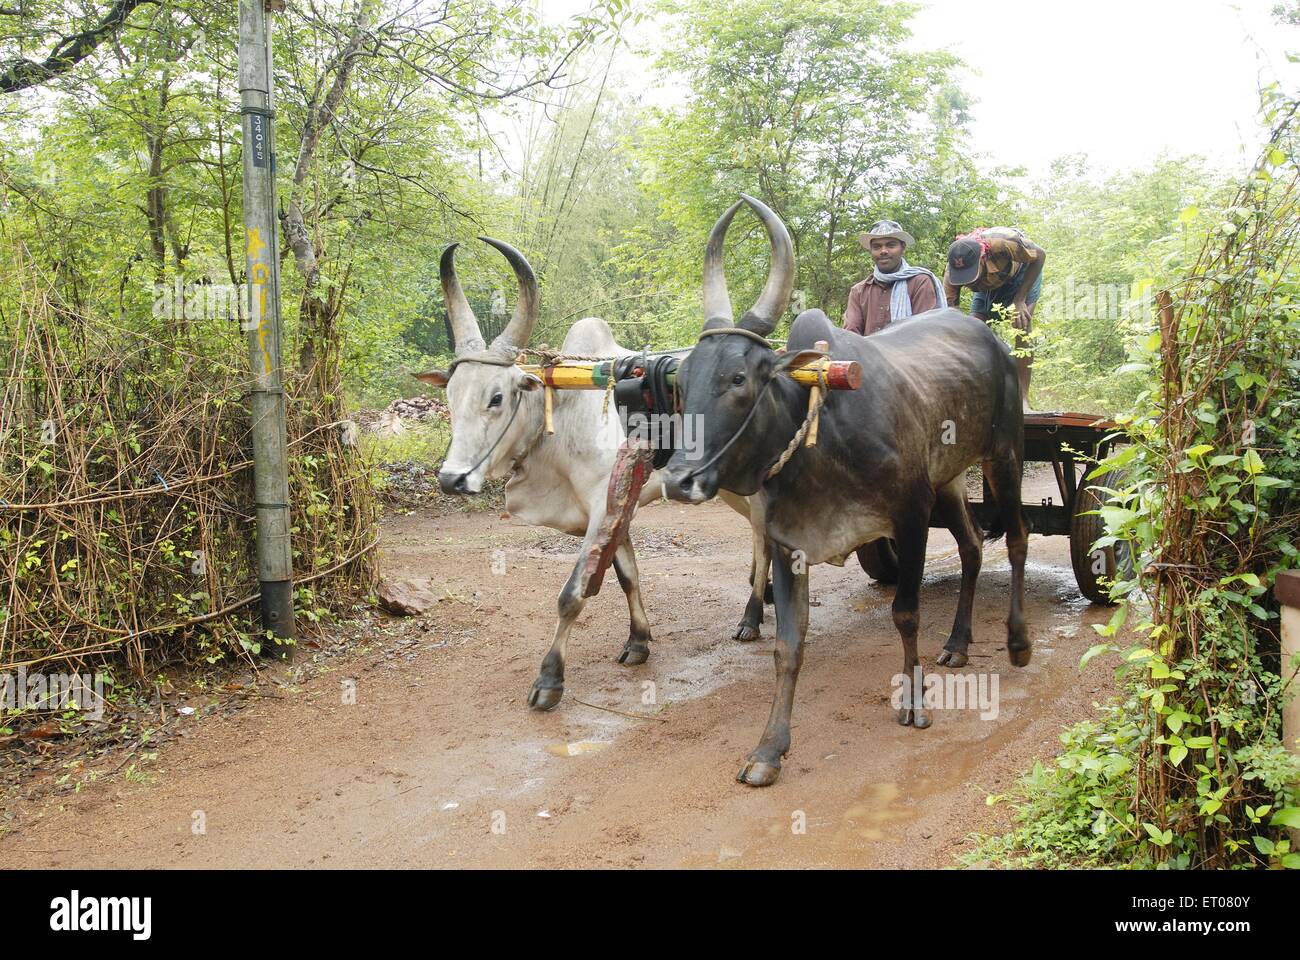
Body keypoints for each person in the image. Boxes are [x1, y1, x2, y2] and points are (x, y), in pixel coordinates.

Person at [944, 226, 1046, 407]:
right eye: (964, 280)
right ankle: (976, 394)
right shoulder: (951, 274)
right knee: (973, 332)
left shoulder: (1004, 242)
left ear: (982, 258)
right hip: (988, 286)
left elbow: (1040, 256)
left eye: (970, 278)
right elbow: (952, 315)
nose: (968, 284)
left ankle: (1022, 398)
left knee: (1021, 325)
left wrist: (1020, 299)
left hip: (1021, 274)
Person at [842, 219, 946, 336]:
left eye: (891, 245)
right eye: (877, 247)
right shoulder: (859, 291)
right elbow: (851, 335)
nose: (883, 251)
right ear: (871, 251)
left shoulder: (920, 282)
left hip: (910, 352)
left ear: (903, 248)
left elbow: (924, 332)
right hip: (867, 353)